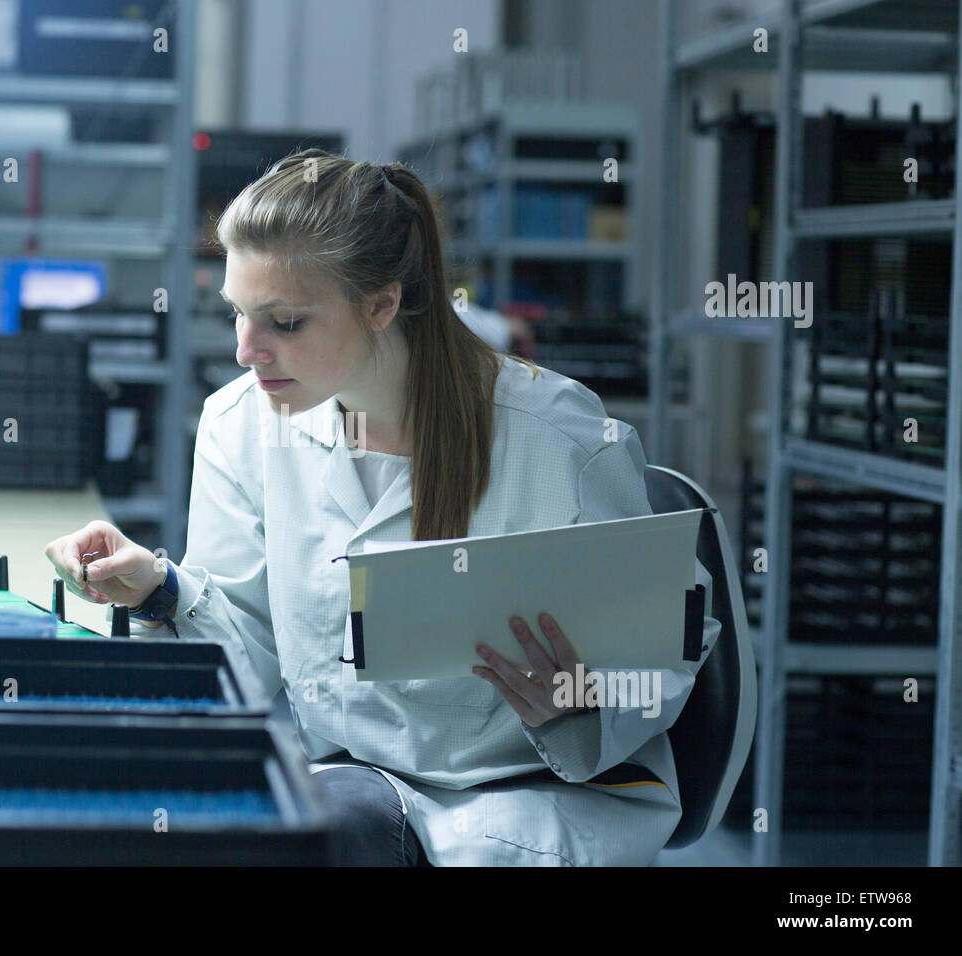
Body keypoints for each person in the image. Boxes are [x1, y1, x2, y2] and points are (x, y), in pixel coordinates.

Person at [45, 148, 721, 866]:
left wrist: (582, 703)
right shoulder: (240, 424)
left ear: (381, 304)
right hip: (359, 786)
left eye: (285, 321)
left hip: (536, 798)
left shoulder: (558, 441)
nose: (247, 351)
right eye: (239, 313)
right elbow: (245, 642)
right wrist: (157, 589)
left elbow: (665, 649)